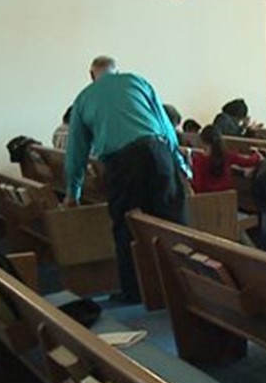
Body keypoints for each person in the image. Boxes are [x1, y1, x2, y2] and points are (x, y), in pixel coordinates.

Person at [64, 56, 189, 304]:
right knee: (173, 222)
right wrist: (180, 165)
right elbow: (165, 125)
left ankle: (133, 291)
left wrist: (72, 193)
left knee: (127, 225)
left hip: (123, 162)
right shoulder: (136, 81)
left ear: (91, 75)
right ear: (117, 71)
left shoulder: (84, 98)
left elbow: (76, 151)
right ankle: (184, 284)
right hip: (158, 151)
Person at [190, 125, 263, 193]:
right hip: (227, 195)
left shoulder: (199, 160)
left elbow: (198, 185)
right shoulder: (227, 155)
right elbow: (248, 162)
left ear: (202, 141)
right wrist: (257, 154)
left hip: (205, 197)